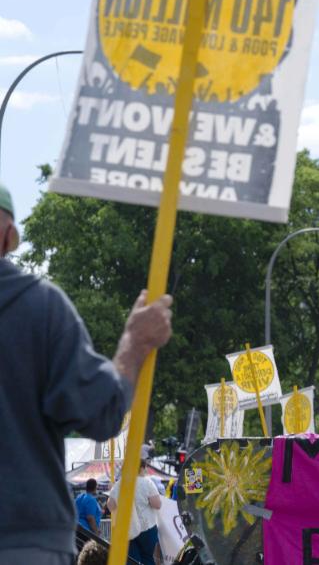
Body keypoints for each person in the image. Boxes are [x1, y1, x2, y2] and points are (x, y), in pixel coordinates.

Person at [0, 181, 174, 565]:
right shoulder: (38, 306)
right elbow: (102, 412)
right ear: (9, 235)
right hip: (25, 542)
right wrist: (134, 344)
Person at [106, 459, 162, 565]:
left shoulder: (119, 484)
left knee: (131, 560)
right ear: (141, 468)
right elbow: (157, 504)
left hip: (128, 529)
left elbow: (110, 506)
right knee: (147, 557)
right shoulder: (147, 482)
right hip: (147, 527)